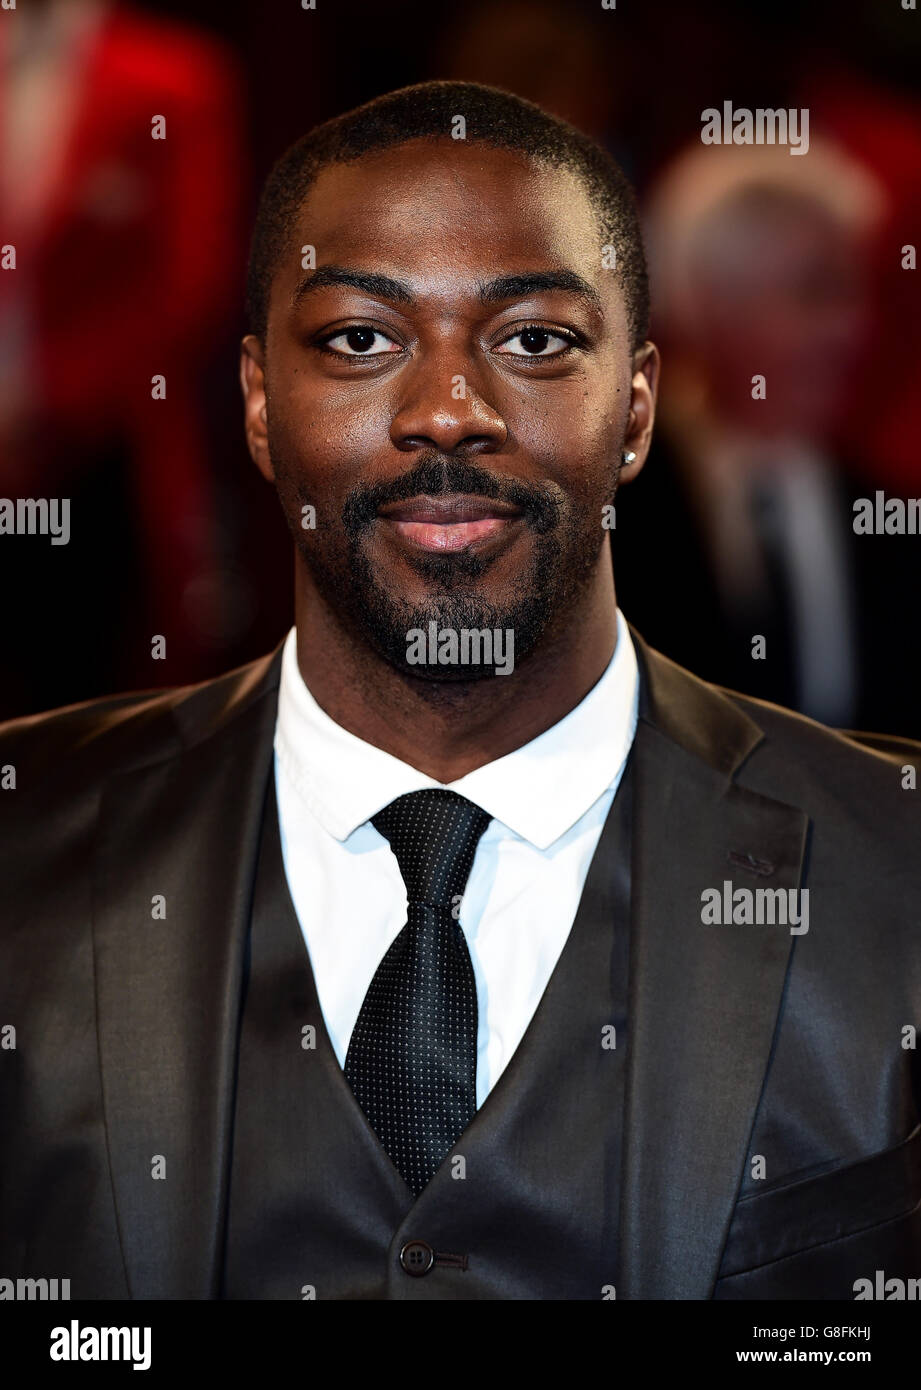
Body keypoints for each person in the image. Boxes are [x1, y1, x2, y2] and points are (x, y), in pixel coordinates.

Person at [1, 80, 918, 1302]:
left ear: (636, 407)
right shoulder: (24, 844)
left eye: (534, 340)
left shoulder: (896, 862)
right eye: (361, 340)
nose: (447, 411)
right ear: (261, 405)